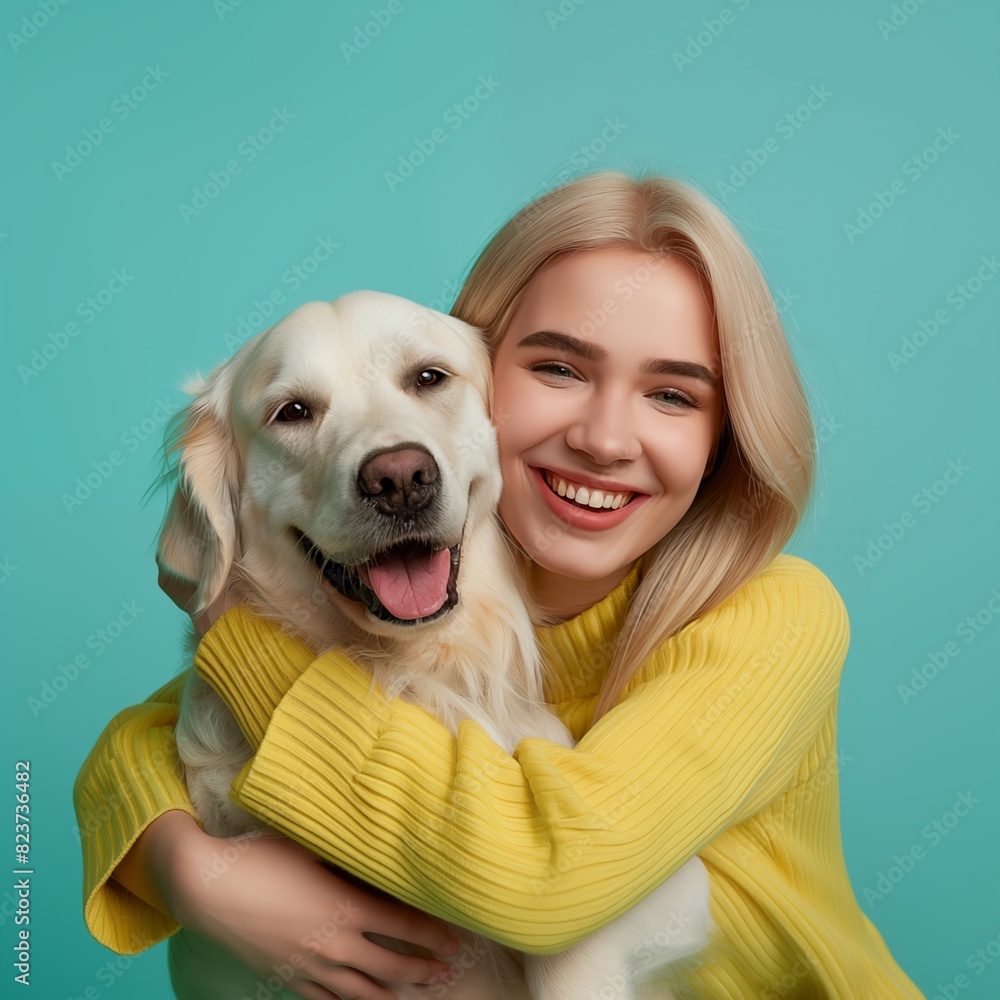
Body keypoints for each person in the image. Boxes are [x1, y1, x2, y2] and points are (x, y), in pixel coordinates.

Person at [74, 170, 923, 999]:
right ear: (494, 381)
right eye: (559, 369)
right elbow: (139, 745)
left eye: (671, 394)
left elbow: (551, 878)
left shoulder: (774, 618)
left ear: (724, 434)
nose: (604, 438)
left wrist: (230, 636)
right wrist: (186, 867)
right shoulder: (426, 606)